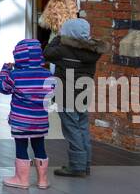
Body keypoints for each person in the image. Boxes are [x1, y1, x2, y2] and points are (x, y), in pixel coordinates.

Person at [43, 16, 104, 179]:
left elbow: (47, 53)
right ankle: (85, 164)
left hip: (66, 95)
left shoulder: (63, 49)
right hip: (83, 94)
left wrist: (57, 39)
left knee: (71, 129)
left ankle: (77, 166)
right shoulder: (92, 50)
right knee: (82, 127)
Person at [0, 39, 57, 190]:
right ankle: (42, 180)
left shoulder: (16, 75)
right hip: (40, 120)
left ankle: (22, 179)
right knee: (40, 147)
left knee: (21, 146)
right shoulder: (47, 74)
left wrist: (5, 70)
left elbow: (2, 88)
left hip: (21, 121)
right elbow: (53, 91)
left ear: (18, 57)